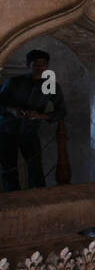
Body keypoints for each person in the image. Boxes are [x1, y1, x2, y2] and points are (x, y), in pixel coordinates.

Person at [0, 49, 67, 191]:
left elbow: (62, 112)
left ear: (47, 66)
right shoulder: (13, 82)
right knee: (8, 170)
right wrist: (12, 110)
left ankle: (38, 203)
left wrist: (40, 116)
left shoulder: (51, 86)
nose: (40, 67)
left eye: (43, 64)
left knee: (36, 169)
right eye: (36, 64)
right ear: (28, 65)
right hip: (7, 131)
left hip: (30, 133)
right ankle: (14, 204)